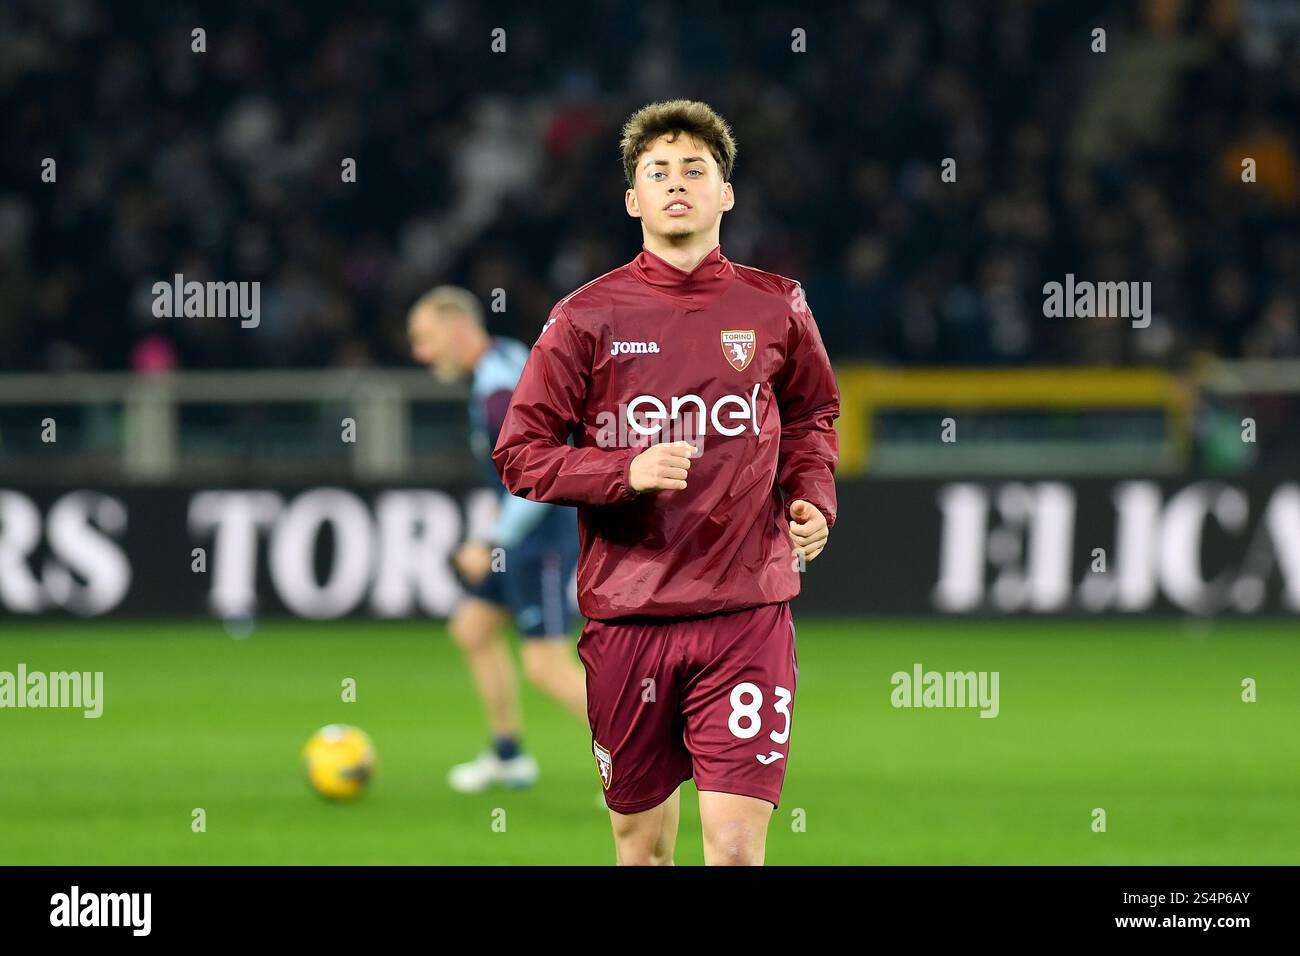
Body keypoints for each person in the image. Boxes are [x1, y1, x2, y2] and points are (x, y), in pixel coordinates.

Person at [493, 100, 839, 864]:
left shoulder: (777, 305)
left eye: (695, 170)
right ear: (633, 200)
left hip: (746, 612)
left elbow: (812, 415)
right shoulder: (585, 318)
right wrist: (623, 471)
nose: (677, 183)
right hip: (629, 618)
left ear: (726, 193)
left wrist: (811, 494)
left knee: (737, 850)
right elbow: (520, 452)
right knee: (643, 850)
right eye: (658, 172)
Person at [407, 286, 587, 793]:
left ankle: (641, 765)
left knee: (546, 666)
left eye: (425, 338)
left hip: (544, 532)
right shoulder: (505, 358)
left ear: (458, 328)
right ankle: (507, 755)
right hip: (526, 532)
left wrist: (489, 540)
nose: (421, 353)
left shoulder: (497, 394)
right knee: (472, 628)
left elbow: (540, 476)